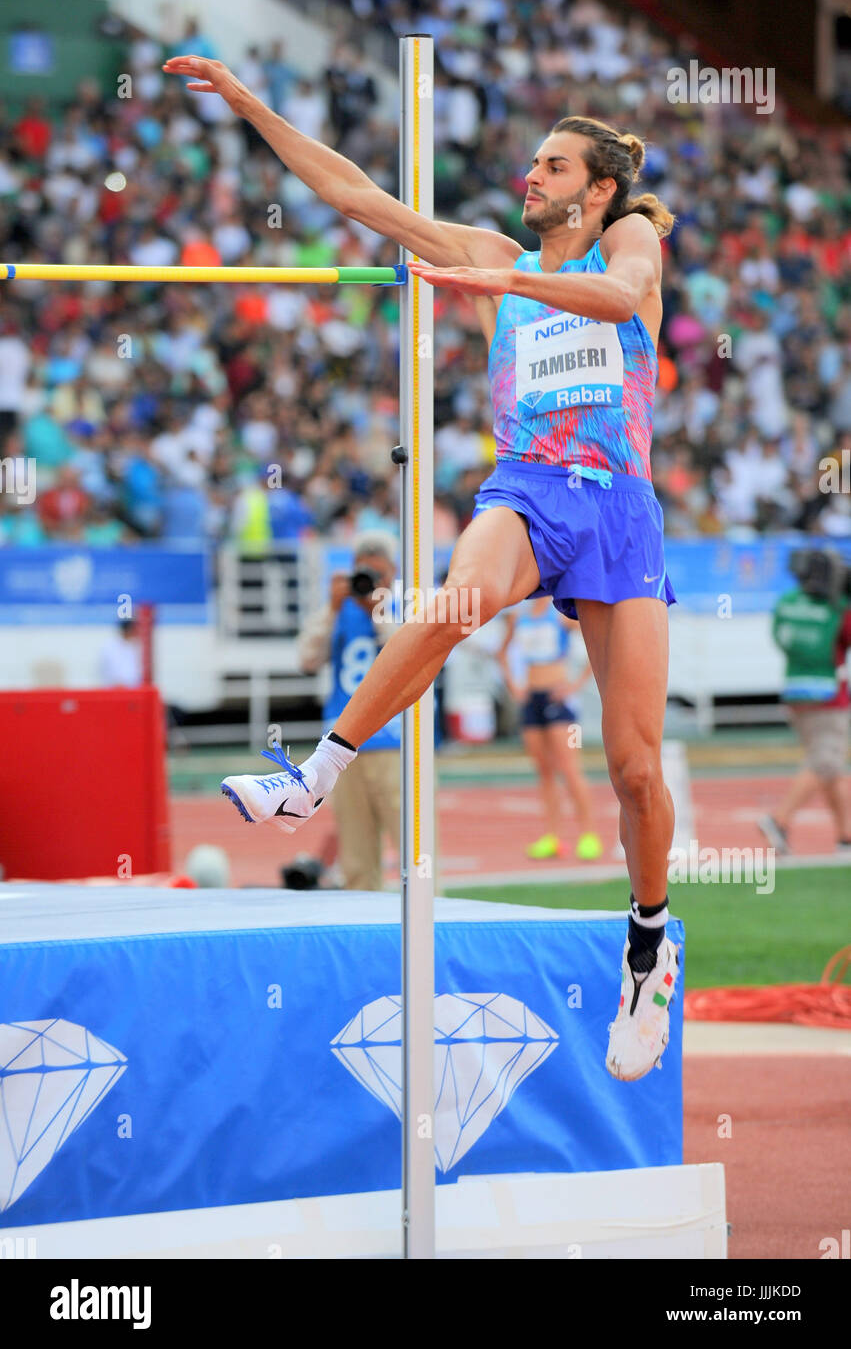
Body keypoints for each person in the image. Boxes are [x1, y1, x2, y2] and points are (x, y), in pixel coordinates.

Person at [165, 52, 678, 1081]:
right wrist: (253, 102)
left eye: (553, 165)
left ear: (598, 185)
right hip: (528, 487)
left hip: (617, 506)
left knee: (632, 767)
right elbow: (350, 192)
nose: (531, 176)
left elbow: (623, 300)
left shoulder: (623, 237)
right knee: (447, 605)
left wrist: (496, 281)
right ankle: (315, 774)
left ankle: (646, 943)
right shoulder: (486, 244)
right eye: (532, 162)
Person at [298, 534, 401, 891]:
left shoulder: (403, 607)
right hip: (344, 744)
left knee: (416, 850)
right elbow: (307, 659)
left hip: (395, 741)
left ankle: (428, 930)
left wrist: (379, 613)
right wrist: (330, 609)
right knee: (356, 859)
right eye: (364, 574)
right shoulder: (339, 611)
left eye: (378, 574)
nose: (370, 583)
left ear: (393, 574)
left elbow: (406, 657)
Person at [759, 548, 851, 853]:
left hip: (796, 693)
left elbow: (780, 638)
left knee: (830, 768)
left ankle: (845, 836)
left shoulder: (787, 603)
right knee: (825, 762)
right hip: (829, 696)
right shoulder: (837, 609)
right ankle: (780, 820)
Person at [496, 597, 602, 862]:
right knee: (544, 771)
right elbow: (502, 652)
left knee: (570, 769)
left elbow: (598, 642)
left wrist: (575, 685)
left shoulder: (561, 615)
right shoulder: (518, 615)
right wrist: (514, 685)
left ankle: (588, 835)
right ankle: (552, 837)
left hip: (559, 700)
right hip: (532, 699)